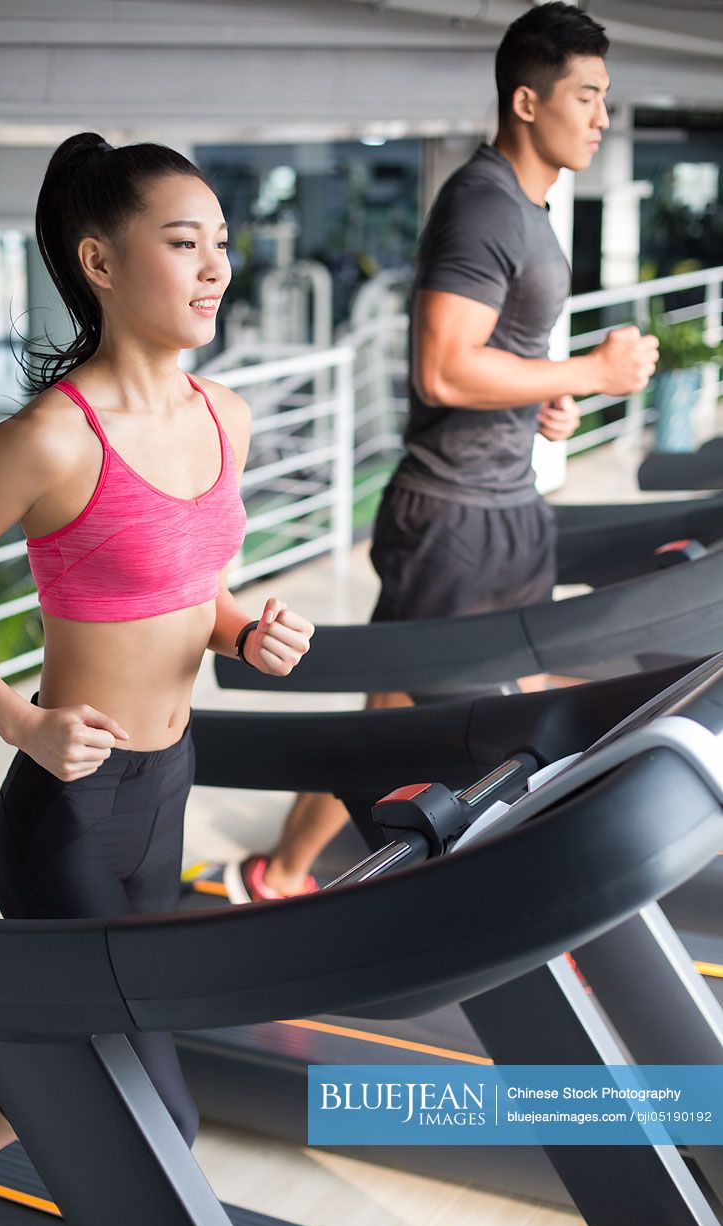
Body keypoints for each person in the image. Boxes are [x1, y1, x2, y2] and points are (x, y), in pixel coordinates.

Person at [0, 133, 314, 1226]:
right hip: (66, 813)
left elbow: (193, 586)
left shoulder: (229, 417)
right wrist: (19, 719)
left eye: (223, 243)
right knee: (155, 1111)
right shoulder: (48, 439)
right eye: (185, 243)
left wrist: (247, 628)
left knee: (96, 1047)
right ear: (102, 262)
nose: (217, 266)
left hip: (166, 788)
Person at [224, 1, 658, 904]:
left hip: (500, 502)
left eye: (604, 98)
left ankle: (287, 867)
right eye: (586, 95)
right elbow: (443, 370)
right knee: (406, 707)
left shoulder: (528, 209)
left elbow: (495, 359)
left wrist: (551, 395)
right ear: (527, 100)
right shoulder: (481, 204)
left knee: (471, 700)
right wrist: (596, 367)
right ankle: (286, 872)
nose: (601, 117)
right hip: (454, 513)